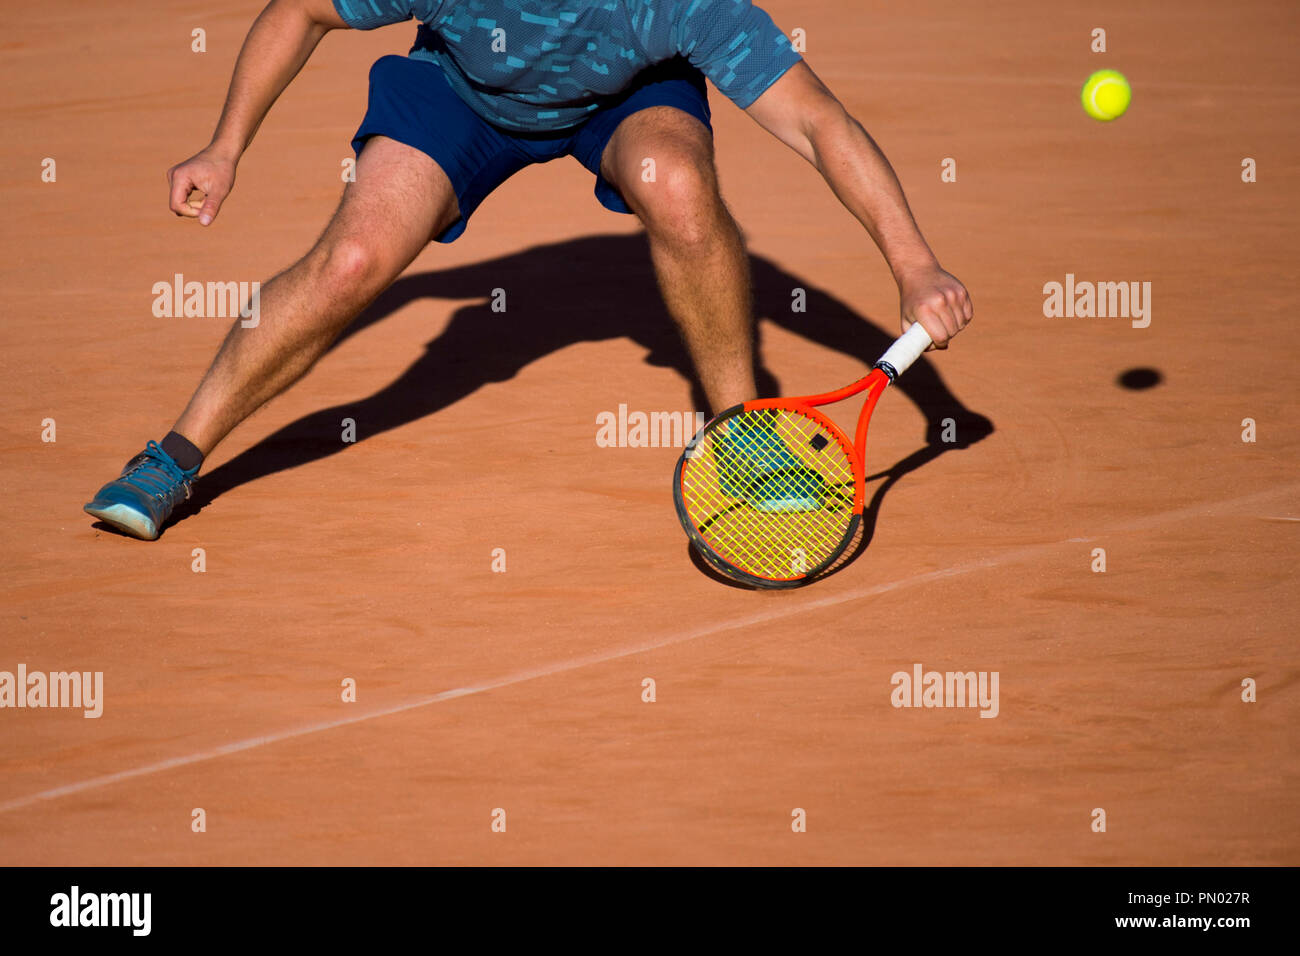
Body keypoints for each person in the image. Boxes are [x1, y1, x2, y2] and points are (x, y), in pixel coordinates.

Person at [85, 0, 973, 540]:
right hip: (462, 91)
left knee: (679, 188)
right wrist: (225, 146)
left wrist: (915, 265)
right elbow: (302, 11)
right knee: (351, 262)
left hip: (626, 95)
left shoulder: (680, 6)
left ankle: (737, 438)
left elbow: (818, 120)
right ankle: (172, 457)